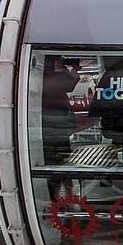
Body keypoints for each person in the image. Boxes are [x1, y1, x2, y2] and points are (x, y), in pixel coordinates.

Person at [41, 56, 80, 198]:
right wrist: (66, 70)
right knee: (60, 163)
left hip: (48, 128)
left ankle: (60, 197)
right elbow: (68, 83)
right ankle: (60, 198)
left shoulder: (39, 77)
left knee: (58, 162)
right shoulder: (47, 79)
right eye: (54, 59)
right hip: (54, 128)